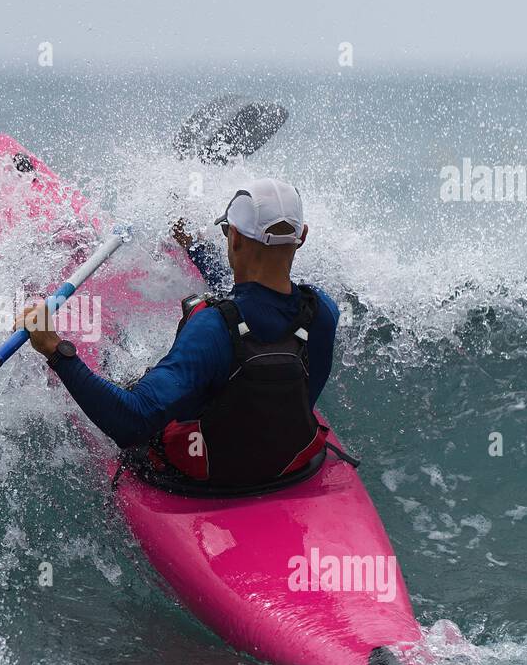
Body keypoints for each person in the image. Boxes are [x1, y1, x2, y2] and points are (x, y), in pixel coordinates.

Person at [17, 177, 341, 491]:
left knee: (124, 370)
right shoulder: (322, 311)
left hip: (202, 476)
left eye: (227, 231)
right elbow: (257, 299)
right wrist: (194, 247)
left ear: (236, 239)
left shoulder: (211, 328)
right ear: (303, 237)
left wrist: (54, 349)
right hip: (287, 463)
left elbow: (131, 422)